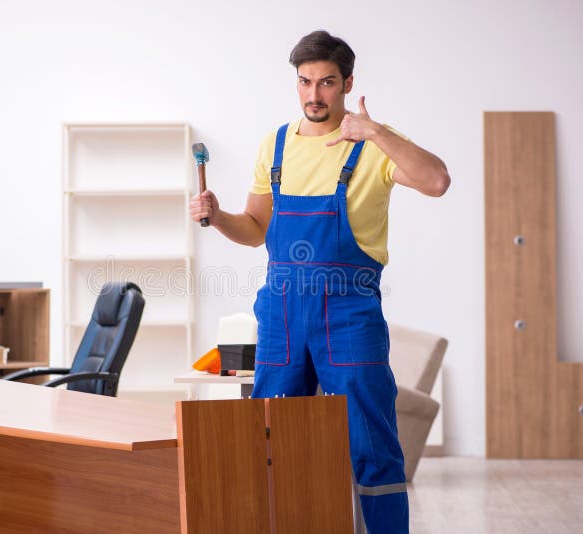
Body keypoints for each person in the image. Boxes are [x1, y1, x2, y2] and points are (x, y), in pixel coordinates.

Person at [189, 30, 450, 533]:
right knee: (273, 443)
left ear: (347, 83)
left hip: (349, 315)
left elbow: (437, 181)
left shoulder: (374, 145)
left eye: (327, 82)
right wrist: (219, 216)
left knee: (371, 445)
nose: (314, 94)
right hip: (282, 313)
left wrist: (375, 132)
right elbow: (255, 230)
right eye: (305, 82)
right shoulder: (277, 144)